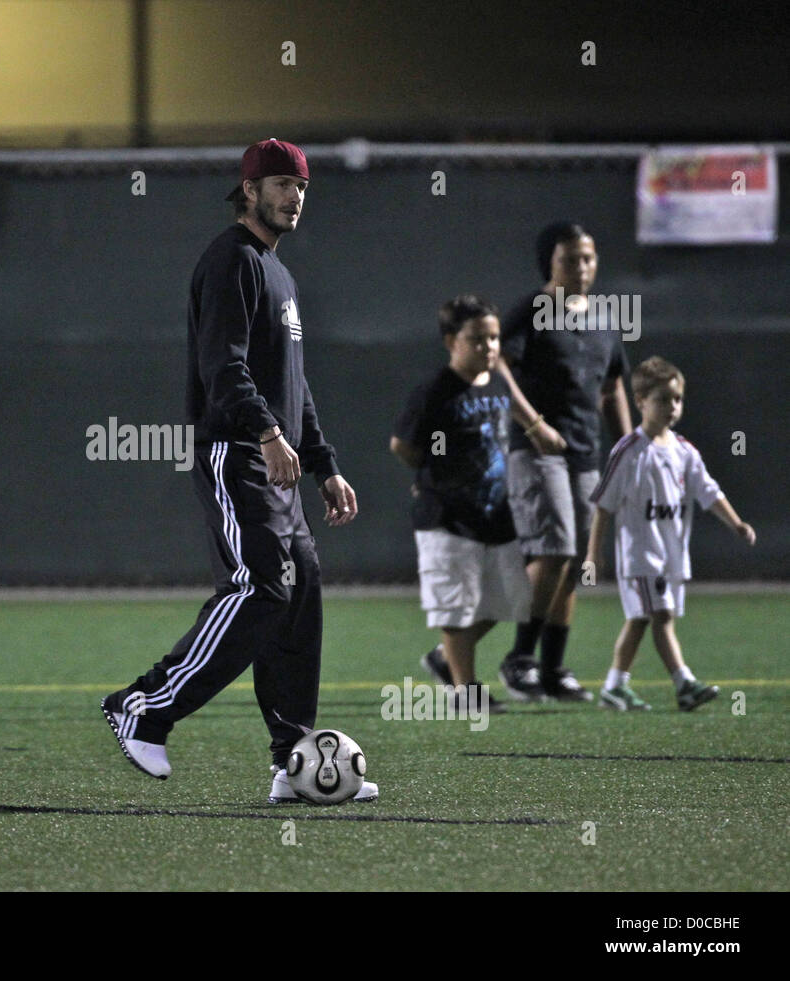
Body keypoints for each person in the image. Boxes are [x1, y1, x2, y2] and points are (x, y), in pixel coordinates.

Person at [100, 138, 371, 804]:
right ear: (248, 190)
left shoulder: (279, 273)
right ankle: (143, 706)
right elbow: (222, 366)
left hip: (277, 461)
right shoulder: (232, 260)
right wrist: (268, 433)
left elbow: (294, 385)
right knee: (260, 587)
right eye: (280, 184)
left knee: (298, 593)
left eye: (301, 186)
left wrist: (324, 464)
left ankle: (293, 761)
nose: (293, 197)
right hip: (238, 451)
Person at [495, 221, 633, 702]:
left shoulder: (605, 317)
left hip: (585, 452)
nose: (581, 267)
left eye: (588, 258)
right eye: (570, 259)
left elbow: (612, 387)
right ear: (549, 263)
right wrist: (534, 424)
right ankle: (520, 659)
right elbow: (497, 367)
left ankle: (552, 669)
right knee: (554, 549)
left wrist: (629, 447)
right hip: (536, 451)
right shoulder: (531, 312)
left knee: (575, 559)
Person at [391, 295, 541, 713]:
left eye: (493, 338)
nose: (488, 347)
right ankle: (465, 690)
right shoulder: (436, 391)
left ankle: (446, 658)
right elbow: (403, 444)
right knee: (456, 607)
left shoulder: (497, 383)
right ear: (450, 341)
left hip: (495, 514)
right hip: (448, 518)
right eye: (477, 339)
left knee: (512, 599)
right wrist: (433, 475)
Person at [585, 357, 755, 711]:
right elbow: (603, 504)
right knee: (661, 618)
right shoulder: (629, 452)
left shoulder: (684, 451)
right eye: (663, 399)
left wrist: (736, 523)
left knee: (640, 620)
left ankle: (614, 686)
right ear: (640, 401)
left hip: (670, 555)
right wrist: (593, 553)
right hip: (641, 555)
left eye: (677, 399)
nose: (672, 407)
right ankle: (684, 683)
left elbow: (709, 491)